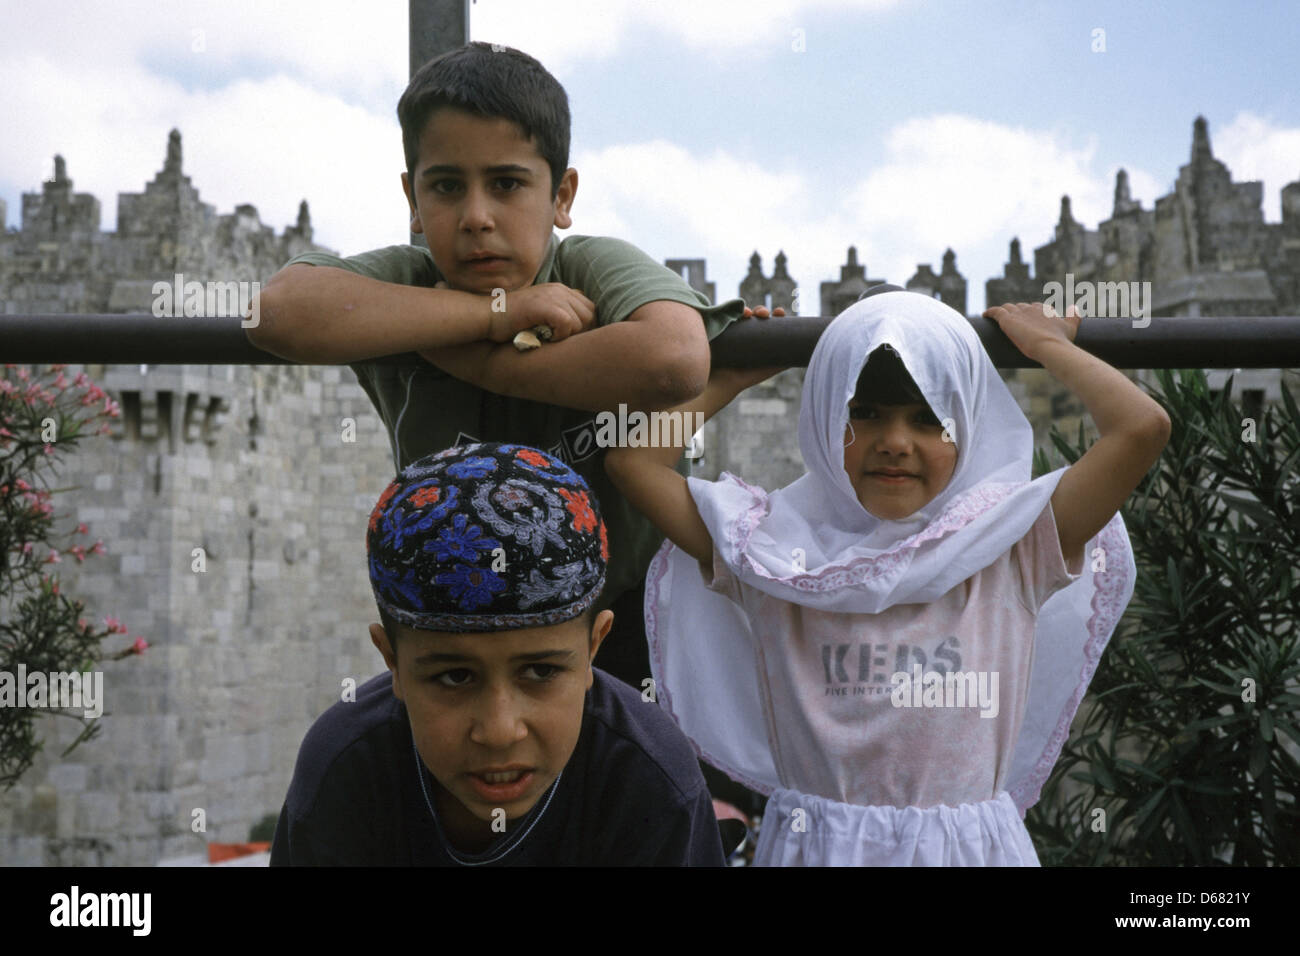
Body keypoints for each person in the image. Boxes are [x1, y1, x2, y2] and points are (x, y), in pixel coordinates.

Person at [605, 291, 1171, 865]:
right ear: (826, 414)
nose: (896, 441)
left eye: (930, 420)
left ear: (968, 426)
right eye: (865, 412)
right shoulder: (769, 554)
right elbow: (632, 462)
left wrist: (1048, 344)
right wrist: (731, 377)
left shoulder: (1013, 545)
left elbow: (1142, 427)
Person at [246, 42, 745, 692]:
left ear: (562, 196)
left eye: (507, 184)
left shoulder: (589, 266)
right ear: (414, 202)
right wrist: (498, 317)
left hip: (621, 630)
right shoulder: (412, 281)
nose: (477, 216)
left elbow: (674, 357)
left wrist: (492, 367)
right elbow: (276, 313)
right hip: (455, 619)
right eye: (447, 186)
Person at [270, 443, 725, 865]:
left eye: (540, 671)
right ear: (392, 662)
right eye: (454, 677)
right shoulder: (346, 771)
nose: (500, 731)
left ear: (593, 648)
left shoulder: (650, 784)